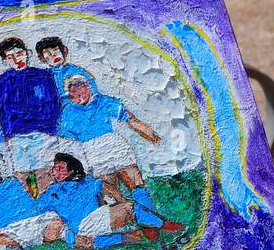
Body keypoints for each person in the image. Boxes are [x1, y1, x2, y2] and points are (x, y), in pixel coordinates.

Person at [56, 73, 182, 238]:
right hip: (93, 152)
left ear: (87, 87)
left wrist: (151, 135)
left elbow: (131, 120)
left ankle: (151, 223)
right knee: (110, 192)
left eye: (81, 90)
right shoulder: (68, 114)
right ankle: (143, 225)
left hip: (114, 146)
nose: (78, 96)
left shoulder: (104, 101)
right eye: (73, 93)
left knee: (136, 183)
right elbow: (68, 144)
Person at [0, 36, 61, 195]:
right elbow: (3, 110)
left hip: (43, 133)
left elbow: (54, 104)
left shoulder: (43, 75)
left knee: (46, 174)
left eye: (19, 53)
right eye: (10, 57)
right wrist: (9, 136)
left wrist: (49, 130)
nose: (17, 59)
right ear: (5, 61)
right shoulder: (2, 81)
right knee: (22, 176)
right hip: (17, 136)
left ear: (26, 52)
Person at [37, 152, 141, 250]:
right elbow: (43, 216)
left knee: (129, 209)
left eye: (61, 168)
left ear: (71, 171)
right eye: (55, 168)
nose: (56, 172)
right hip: (76, 227)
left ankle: (136, 235)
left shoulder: (86, 182)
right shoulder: (51, 192)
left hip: (96, 218)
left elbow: (108, 188)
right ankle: (121, 238)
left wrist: (121, 201)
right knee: (130, 211)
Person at [0, 152, 64, 250]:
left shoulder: (13, 183)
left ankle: (53, 240)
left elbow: (34, 204)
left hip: (34, 223)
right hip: (10, 232)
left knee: (56, 222)